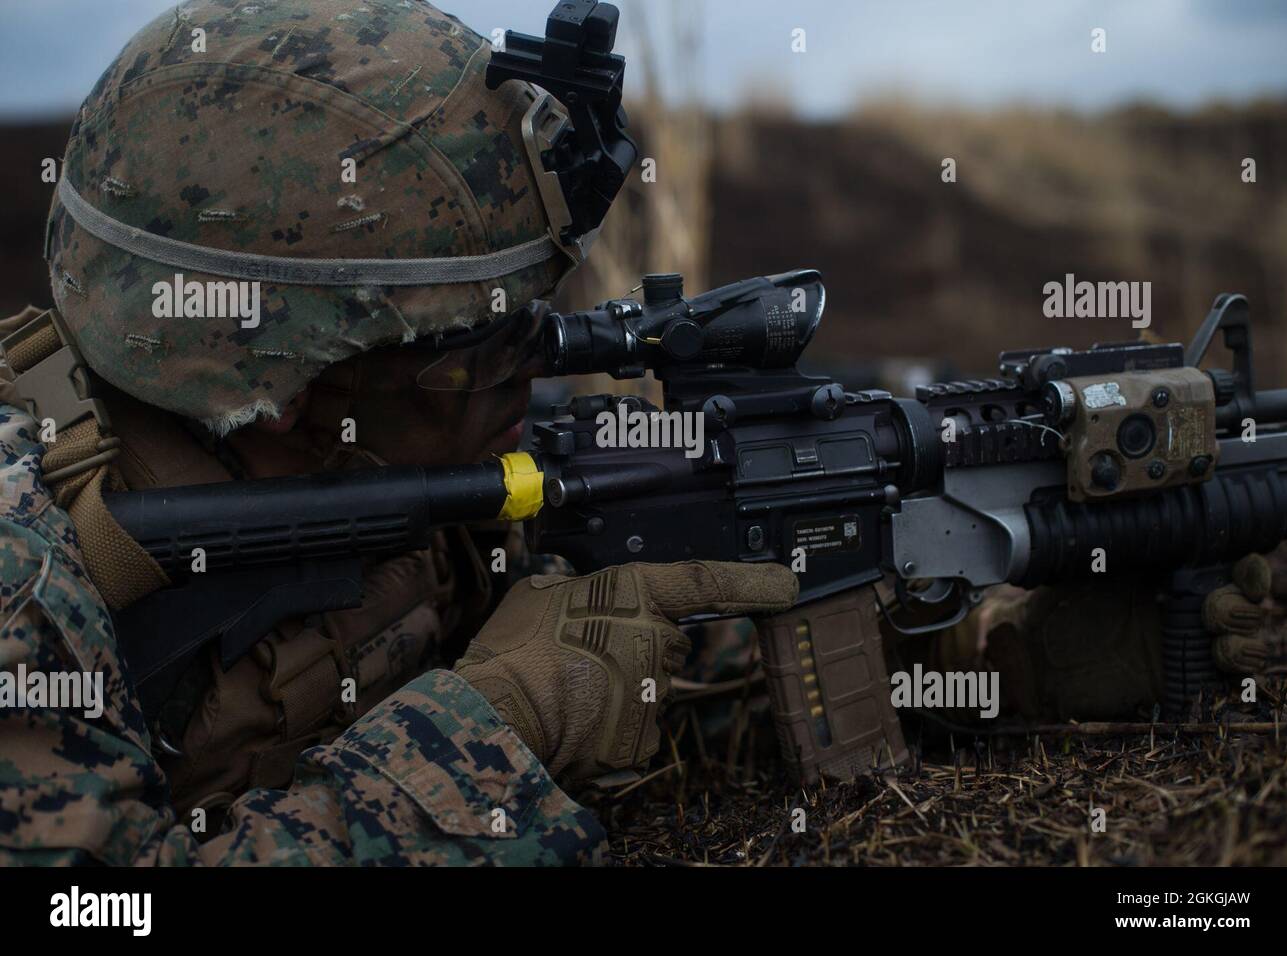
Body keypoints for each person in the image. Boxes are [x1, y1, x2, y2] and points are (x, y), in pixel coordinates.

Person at [0, 0, 798, 866]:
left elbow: (652, 624)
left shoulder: (415, 460)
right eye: (480, 341)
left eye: (537, 313)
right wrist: (498, 730)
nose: (537, 364)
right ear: (283, 382)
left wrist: (872, 586)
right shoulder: (28, 578)